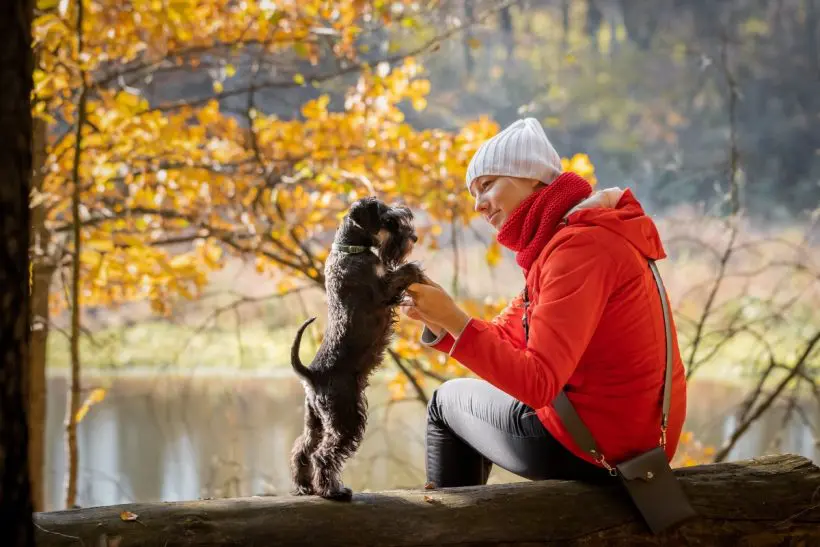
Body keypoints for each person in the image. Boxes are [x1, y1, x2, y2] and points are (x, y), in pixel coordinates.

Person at [402, 117, 687, 487]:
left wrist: (455, 320)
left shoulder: (579, 250)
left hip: (599, 446)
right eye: (474, 194)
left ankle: (446, 530)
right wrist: (440, 320)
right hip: (627, 438)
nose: (479, 206)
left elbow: (537, 385)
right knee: (462, 398)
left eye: (487, 185)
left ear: (534, 178)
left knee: (446, 402)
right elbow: (506, 336)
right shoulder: (568, 242)